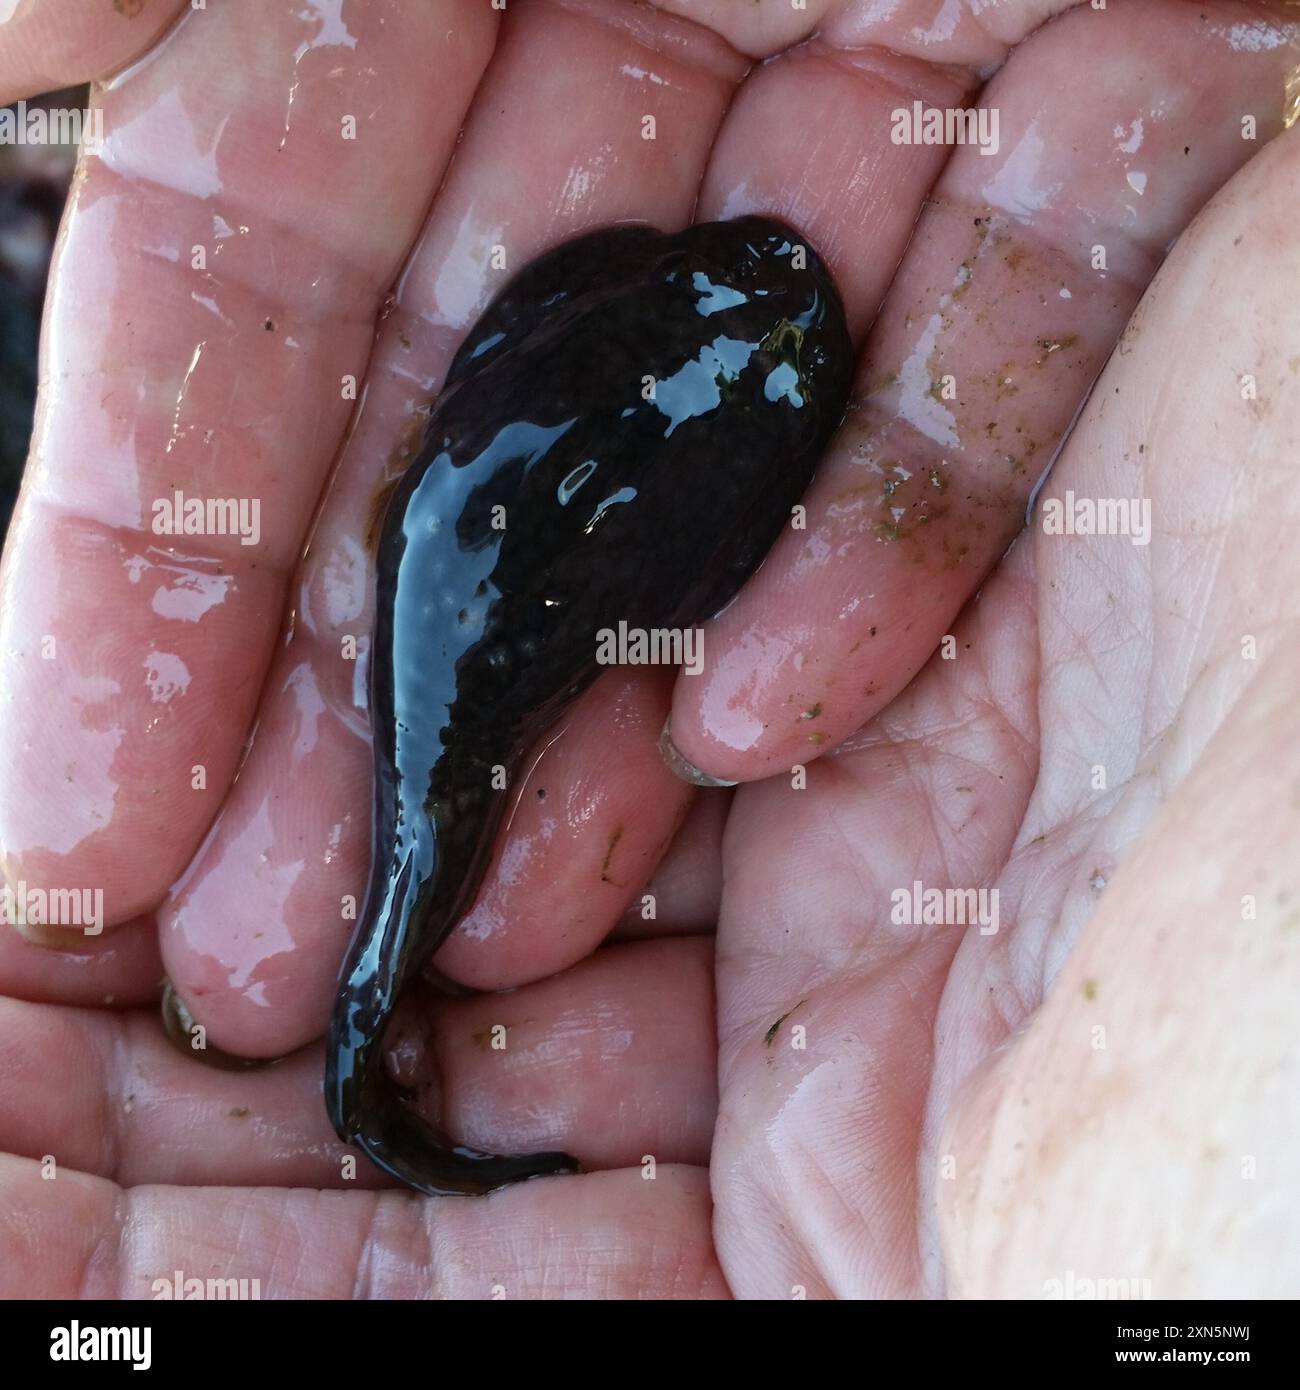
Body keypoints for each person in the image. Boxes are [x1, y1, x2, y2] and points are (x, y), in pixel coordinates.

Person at [1, 0, 1298, 1299]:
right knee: (420, 851)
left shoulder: (645, 349)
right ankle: (370, 1083)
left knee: (424, 849)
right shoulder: (647, 418)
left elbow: (579, 391)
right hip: (464, 570)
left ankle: (373, 1078)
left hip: (475, 546)